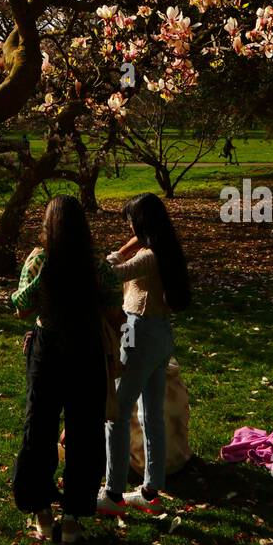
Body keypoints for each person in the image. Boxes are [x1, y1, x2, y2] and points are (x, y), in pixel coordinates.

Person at [11, 195, 121, 545]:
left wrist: (40, 282)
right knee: (84, 431)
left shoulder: (39, 259)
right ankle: (72, 517)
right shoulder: (96, 263)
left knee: (39, 427)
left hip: (49, 350)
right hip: (86, 349)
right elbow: (115, 308)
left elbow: (22, 309)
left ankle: (41, 511)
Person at [98, 193, 191, 517]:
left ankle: (113, 493)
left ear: (141, 226)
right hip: (161, 334)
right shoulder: (164, 251)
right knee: (151, 413)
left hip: (140, 333)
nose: (129, 229)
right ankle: (151, 490)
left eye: (131, 224)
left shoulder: (149, 257)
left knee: (118, 413)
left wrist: (121, 250)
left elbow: (108, 273)